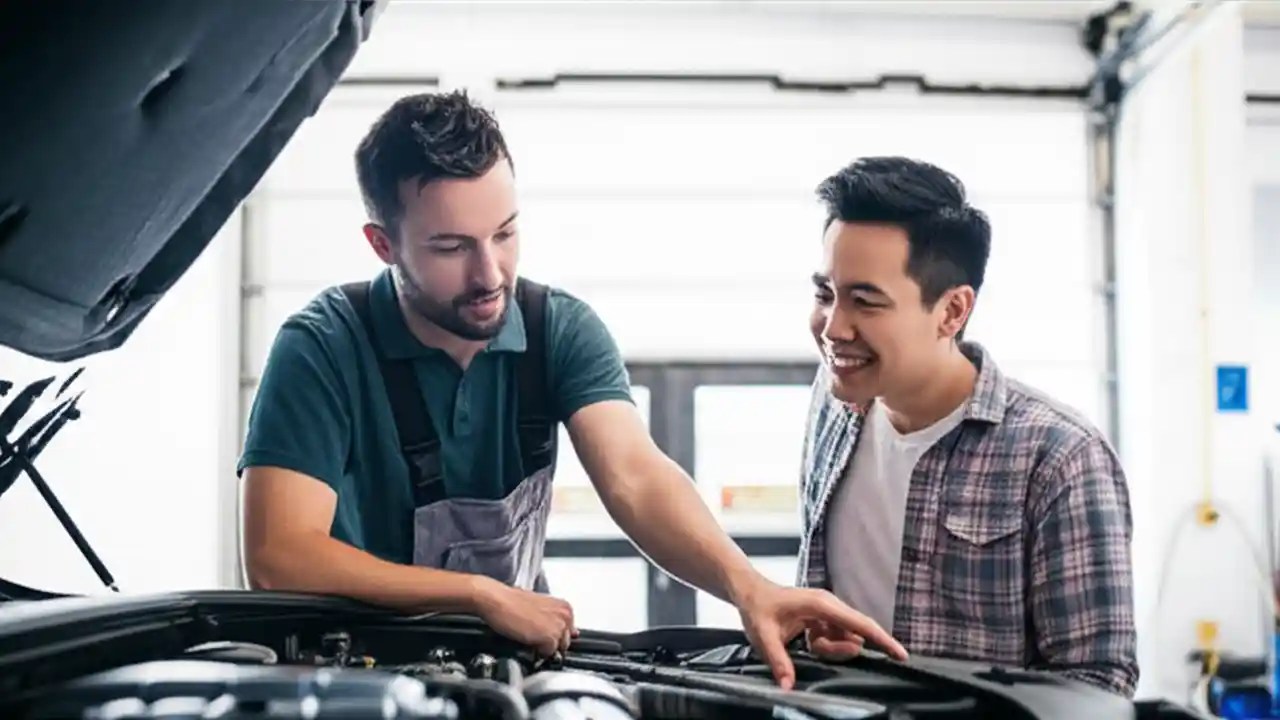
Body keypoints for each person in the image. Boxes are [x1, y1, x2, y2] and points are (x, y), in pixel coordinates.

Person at [237, 90, 907, 689]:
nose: (490, 272)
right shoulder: (321, 348)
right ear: (383, 245)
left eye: (505, 233)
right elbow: (278, 556)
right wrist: (478, 593)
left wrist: (748, 587)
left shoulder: (558, 329)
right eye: (451, 248)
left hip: (500, 676)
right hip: (348, 686)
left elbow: (637, 477)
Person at [796, 156, 1138, 696]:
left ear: (952, 311)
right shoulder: (833, 402)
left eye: (864, 301)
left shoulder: (1059, 458)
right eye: (824, 294)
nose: (834, 328)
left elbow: (1097, 686)